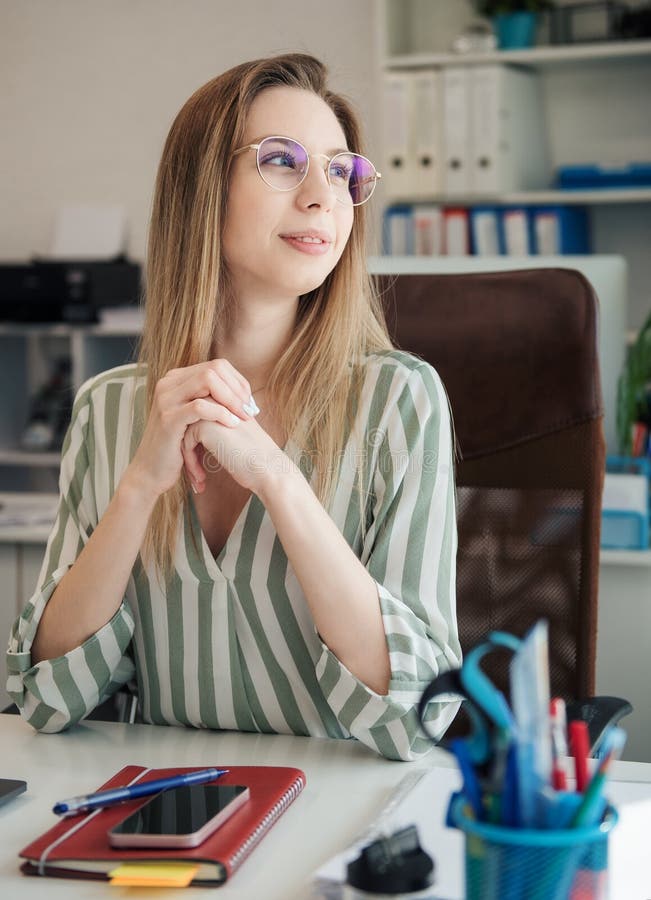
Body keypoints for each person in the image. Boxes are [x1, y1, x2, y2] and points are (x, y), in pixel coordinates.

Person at [7, 53, 461, 761]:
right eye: (283, 161)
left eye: (341, 171)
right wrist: (138, 488)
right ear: (200, 191)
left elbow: (414, 714)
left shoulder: (398, 400)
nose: (323, 197)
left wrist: (278, 479)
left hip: (337, 824)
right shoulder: (107, 411)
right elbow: (45, 695)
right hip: (164, 813)